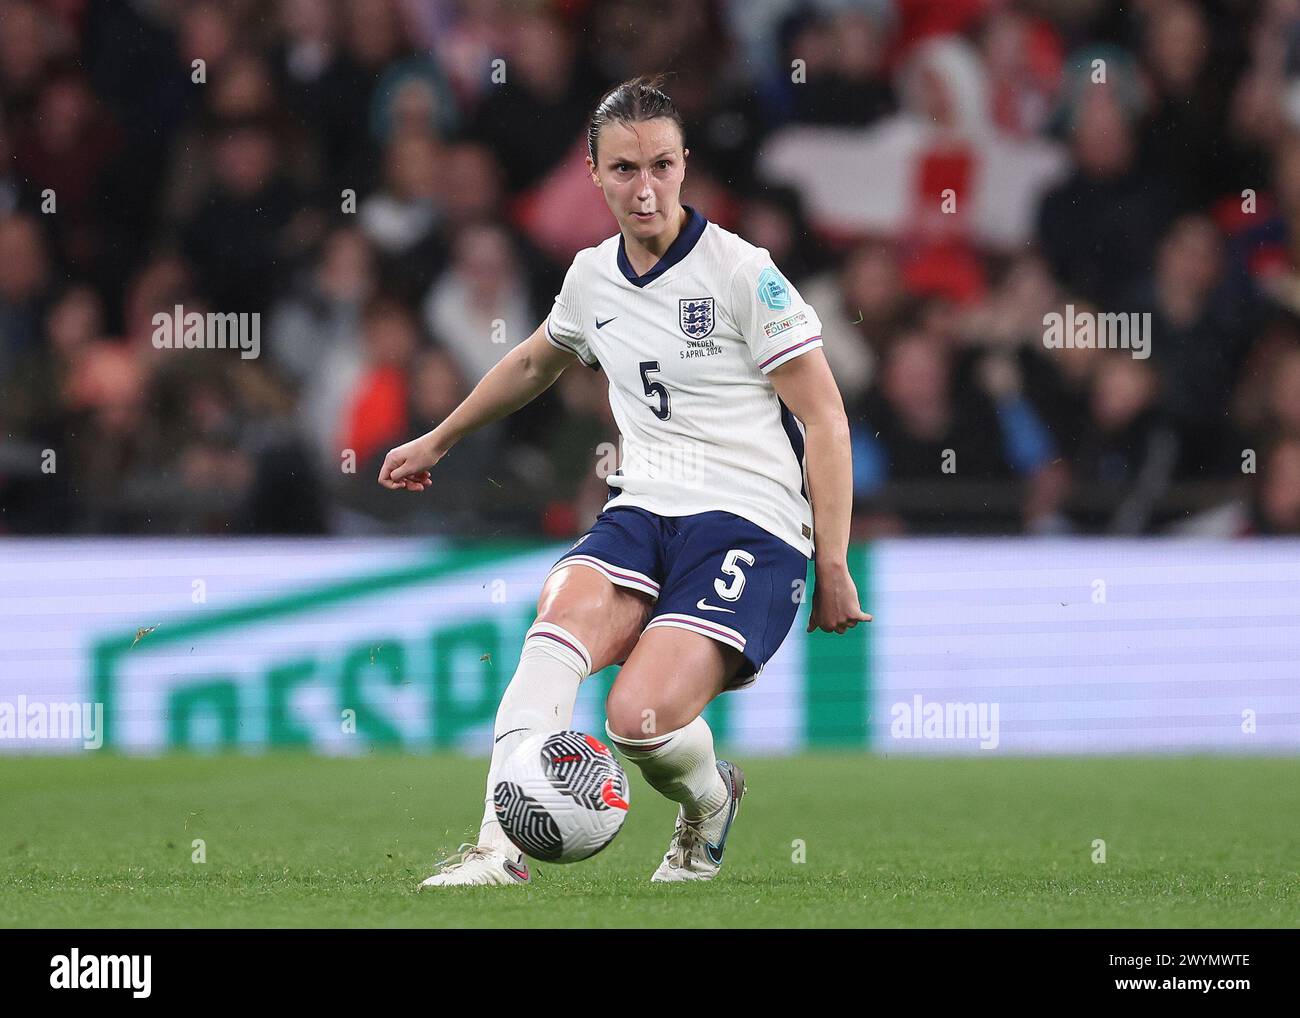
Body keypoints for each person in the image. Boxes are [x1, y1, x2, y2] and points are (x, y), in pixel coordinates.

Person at [378, 75, 869, 886]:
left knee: (637, 722)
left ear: (685, 166)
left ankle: (710, 801)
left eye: (663, 166)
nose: (646, 189)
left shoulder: (744, 273)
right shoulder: (590, 277)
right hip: (642, 505)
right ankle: (497, 852)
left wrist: (835, 561)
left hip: (750, 524)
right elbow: (538, 358)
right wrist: (440, 438)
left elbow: (826, 418)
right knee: (553, 633)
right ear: (595, 173)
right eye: (626, 169)